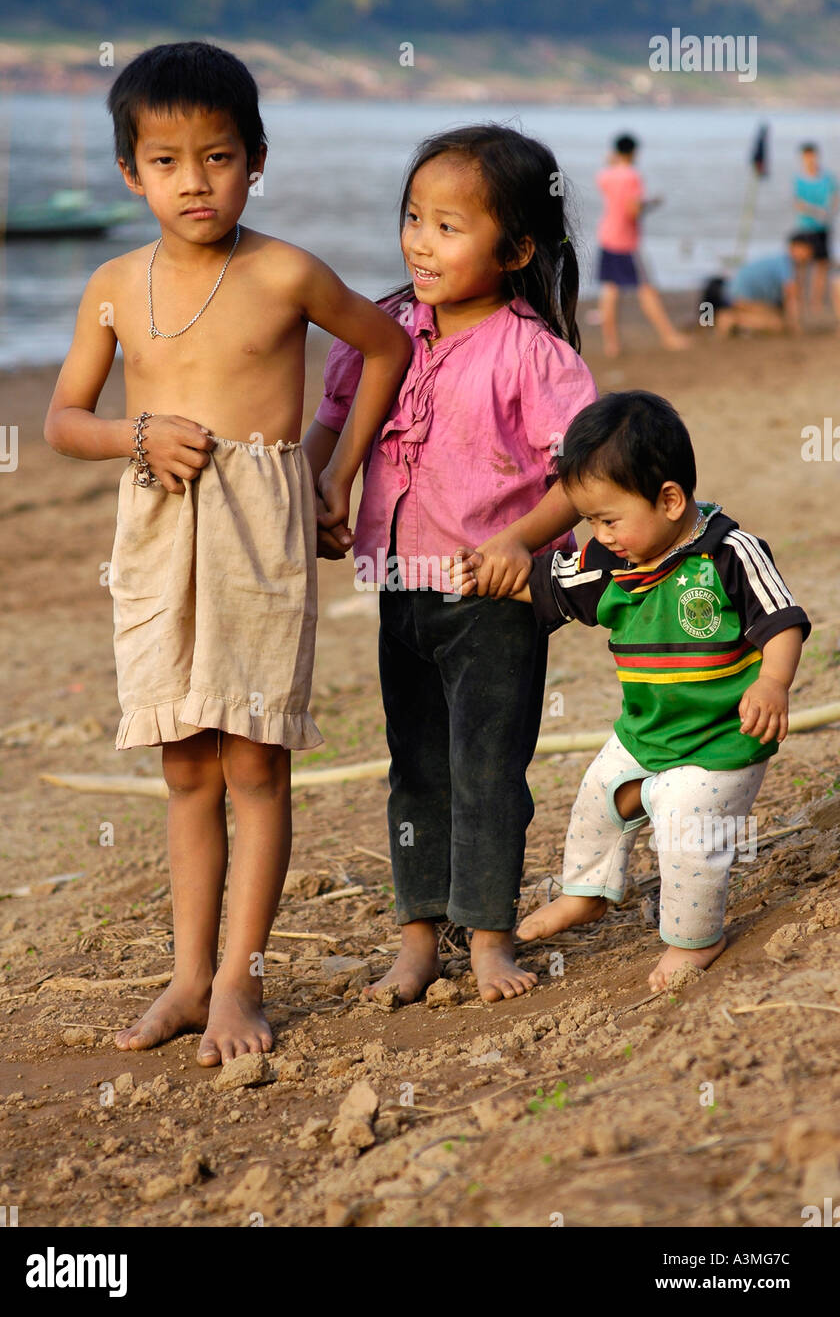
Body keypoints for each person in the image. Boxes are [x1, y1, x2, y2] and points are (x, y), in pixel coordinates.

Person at [43, 41, 410, 1064]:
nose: (193, 181)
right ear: (131, 172)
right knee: (185, 764)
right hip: (159, 526)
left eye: (217, 157)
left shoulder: (285, 270)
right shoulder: (116, 282)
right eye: (166, 161)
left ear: (256, 159)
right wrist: (136, 432)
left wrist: (338, 475)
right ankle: (189, 977)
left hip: (260, 526)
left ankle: (242, 985)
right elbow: (65, 418)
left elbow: (386, 346)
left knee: (255, 759)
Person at [304, 124, 598, 1004]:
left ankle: (491, 939)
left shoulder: (534, 354)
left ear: (514, 249)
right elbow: (334, 414)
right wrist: (322, 483)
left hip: (495, 599)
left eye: (448, 226)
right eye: (413, 219)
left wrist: (519, 539)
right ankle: (418, 937)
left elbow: (582, 475)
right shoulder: (382, 329)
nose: (421, 243)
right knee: (416, 765)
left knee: (486, 769)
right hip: (401, 587)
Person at [453, 392, 809, 990]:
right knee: (597, 797)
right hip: (644, 733)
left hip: (723, 740)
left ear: (670, 500)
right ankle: (585, 892)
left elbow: (782, 620)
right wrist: (494, 580)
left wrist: (773, 682)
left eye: (609, 519)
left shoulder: (728, 554)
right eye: (589, 520)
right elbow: (551, 588)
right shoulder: (611, 561)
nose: (599, 534)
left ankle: (695, 939)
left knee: (686, 829)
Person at [594, 134, 689, 357]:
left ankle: (612, 344)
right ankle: (668, 336)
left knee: (610, 289)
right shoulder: (632, 176)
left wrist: (612, 162)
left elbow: (612, 189)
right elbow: (633, 211)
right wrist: (651, 204)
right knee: (646, 289)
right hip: (625, 240)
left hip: (606, 235)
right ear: (634, 152)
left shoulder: (605, 175)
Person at [713, 233, 812, 336]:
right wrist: (795, 326)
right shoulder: (786, 265)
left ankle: (739, 321)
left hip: (736, 292)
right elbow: (792, 297)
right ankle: (732, 319)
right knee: (776, 324)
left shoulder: (782, 261)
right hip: (741, 297)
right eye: (807, 249)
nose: (809, 254)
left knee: (777, 317)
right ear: (794, 247)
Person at [793, 142, 838, 316]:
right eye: (807, 156)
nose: (810, 160)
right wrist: (814, 211)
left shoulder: (827, 177)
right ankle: (800, 300)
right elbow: (798, 203)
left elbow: (835, 197)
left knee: (822, 265)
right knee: (802, 264)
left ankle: (817, 302)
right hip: (806, 227)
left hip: (823, 227)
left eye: (812, 156)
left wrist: (829, 211)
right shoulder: (799, 178)